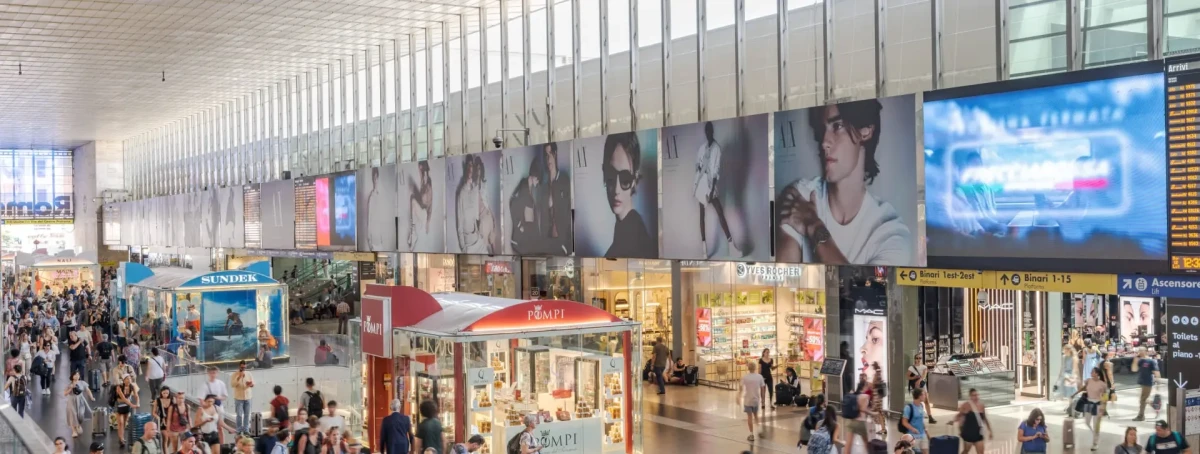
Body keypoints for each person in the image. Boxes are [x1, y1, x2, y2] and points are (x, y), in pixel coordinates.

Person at [776, 99, 913, 265]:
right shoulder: (801, 196)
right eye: (822, 129)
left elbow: (864, 289)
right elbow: (783, 282)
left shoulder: (891, 232)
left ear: (865, 131)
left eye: (837, 126)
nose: (824, 142)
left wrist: (814, 225)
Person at [601, 132, 654, 257]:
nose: (616, 189)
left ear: (634, 180)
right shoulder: (623, 232)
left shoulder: (637, 240)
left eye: (625, 179)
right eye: (611, 176)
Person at [693, 121, 741, 258]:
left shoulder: (717, 149)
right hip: (701, 185)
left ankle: (731, 246)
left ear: (712, 132)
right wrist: (698, 174)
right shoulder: (702, 148)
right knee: (702, 215)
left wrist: (711, 190)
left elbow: (716, 171)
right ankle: (704, 249)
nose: (708, 134)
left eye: (710, 131)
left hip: (710, 185)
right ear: (705, 132)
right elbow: (697, 165)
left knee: (720, 213)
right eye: (706, 131)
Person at [542, 142, 572, 255]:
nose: (548, 158)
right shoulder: (543, 186)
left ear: (555, 154)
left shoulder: (564, 180)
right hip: (548, 242)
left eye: (550, 153)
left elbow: (570, 213)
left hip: (562, 242)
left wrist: (566, 244)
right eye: (546, 155)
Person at [1073, 366, 1110, 450]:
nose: (1091, 373)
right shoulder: (1088, 381)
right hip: (1088, 403)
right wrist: (1075, 393)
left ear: (1097, 373)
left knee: (1096, 424)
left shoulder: (1102, 384)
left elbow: (1105, 397)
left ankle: (1095, 443)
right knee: (1087, 422)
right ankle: (1095, 434)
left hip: (1098, 405)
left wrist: (1103, 408)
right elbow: (1083, 388)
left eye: (1093, 372)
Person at [955, 388, 993, 454]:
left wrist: (990, 431)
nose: (976, 397)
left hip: (978, 433)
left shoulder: (981, 406)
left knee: (981, 452)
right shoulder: (965, 405)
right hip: (968, 433)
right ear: (970, 396)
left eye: (977, 395)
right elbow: (959, 416)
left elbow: (985, 419)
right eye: (973, 395)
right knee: (966, 450)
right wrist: (960, 429)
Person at [64, 369, 95, 439]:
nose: (77, 376)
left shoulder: (82, 383)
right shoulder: (69, 384)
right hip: (72, 401)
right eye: (75, 375)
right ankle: (74, 431)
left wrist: (91, 397)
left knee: (81, 414)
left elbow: (88, 390)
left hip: (80, 400)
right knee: (73, 415)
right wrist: (71, 388)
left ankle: (78, 424)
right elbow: (65, 393)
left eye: (78, 375)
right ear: (72, 376)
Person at [740, 361, 767, 441]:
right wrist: (763, 400)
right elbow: (762, 389)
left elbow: (741, 389)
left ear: (748, 368)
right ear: (755, 368)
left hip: (748, 400)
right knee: (756, 416)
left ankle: (751, 434)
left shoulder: (745, 377)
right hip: (756, 399)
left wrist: (738, 397)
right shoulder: (759, 377)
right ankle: (759, 430)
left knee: (749, 417)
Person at [114, 367, 141, 447]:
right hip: (119, 406)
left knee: (124, 423)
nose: (129, 380)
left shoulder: (132, 386)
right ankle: (121, 439)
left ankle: (121, 437)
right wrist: (132, 405)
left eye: (129, 378)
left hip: (126, 406)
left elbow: (136, 396)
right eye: (127, 378)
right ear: (123, 380)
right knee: (121, 423)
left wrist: (138, 402)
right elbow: (123, 398)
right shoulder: (119, 387)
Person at [907, 354, 936, 423]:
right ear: (915, 359)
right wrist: (914, 378)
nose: (918, 359)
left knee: (926, 401)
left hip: (922, 385)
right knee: (916, 401)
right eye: (917, 358)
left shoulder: (924, 367)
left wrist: (919, 380)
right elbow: (908, 376)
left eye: (920, 358)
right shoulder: (911, 368)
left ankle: (930, 417)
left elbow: (924, 375)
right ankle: (915, 417)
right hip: (916, 386)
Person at [1134, 348, 1161, 421]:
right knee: (1143, 399)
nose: (1139, 351)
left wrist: (1158, 383)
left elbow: (1156, 372)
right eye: (1139, 350)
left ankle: (1141, 416)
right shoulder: (1141, 361)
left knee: (1143, 399)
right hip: (1142, 382)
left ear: (1145, 351)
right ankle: (1155, 406)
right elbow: (1134, 369)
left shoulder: (1151, 361)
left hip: (1148, 382)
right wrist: (1135, 359)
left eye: (1141, 350)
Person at [231, 360, 255, 433]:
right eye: (242, 367)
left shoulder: (249, 374)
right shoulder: (235, 374)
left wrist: (250, 384)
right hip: (239, 398)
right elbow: (232, 385)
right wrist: (239, 377)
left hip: (248, 397)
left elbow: (253, 384)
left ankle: (246, 429)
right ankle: (239, 429)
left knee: (247, 415)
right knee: (239, 415)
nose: (243, 369)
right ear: (239, 367)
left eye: (244, 367)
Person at [902, 388, 929, 453]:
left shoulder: (921, 406)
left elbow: (921, 420)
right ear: (919, 396)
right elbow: (904, 422)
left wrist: (926, 431)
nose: (925, 396)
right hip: (913, 437)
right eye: (923, 395)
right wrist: (912, 429)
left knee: (926, 452)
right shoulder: (908, 408)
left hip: (922, 434)